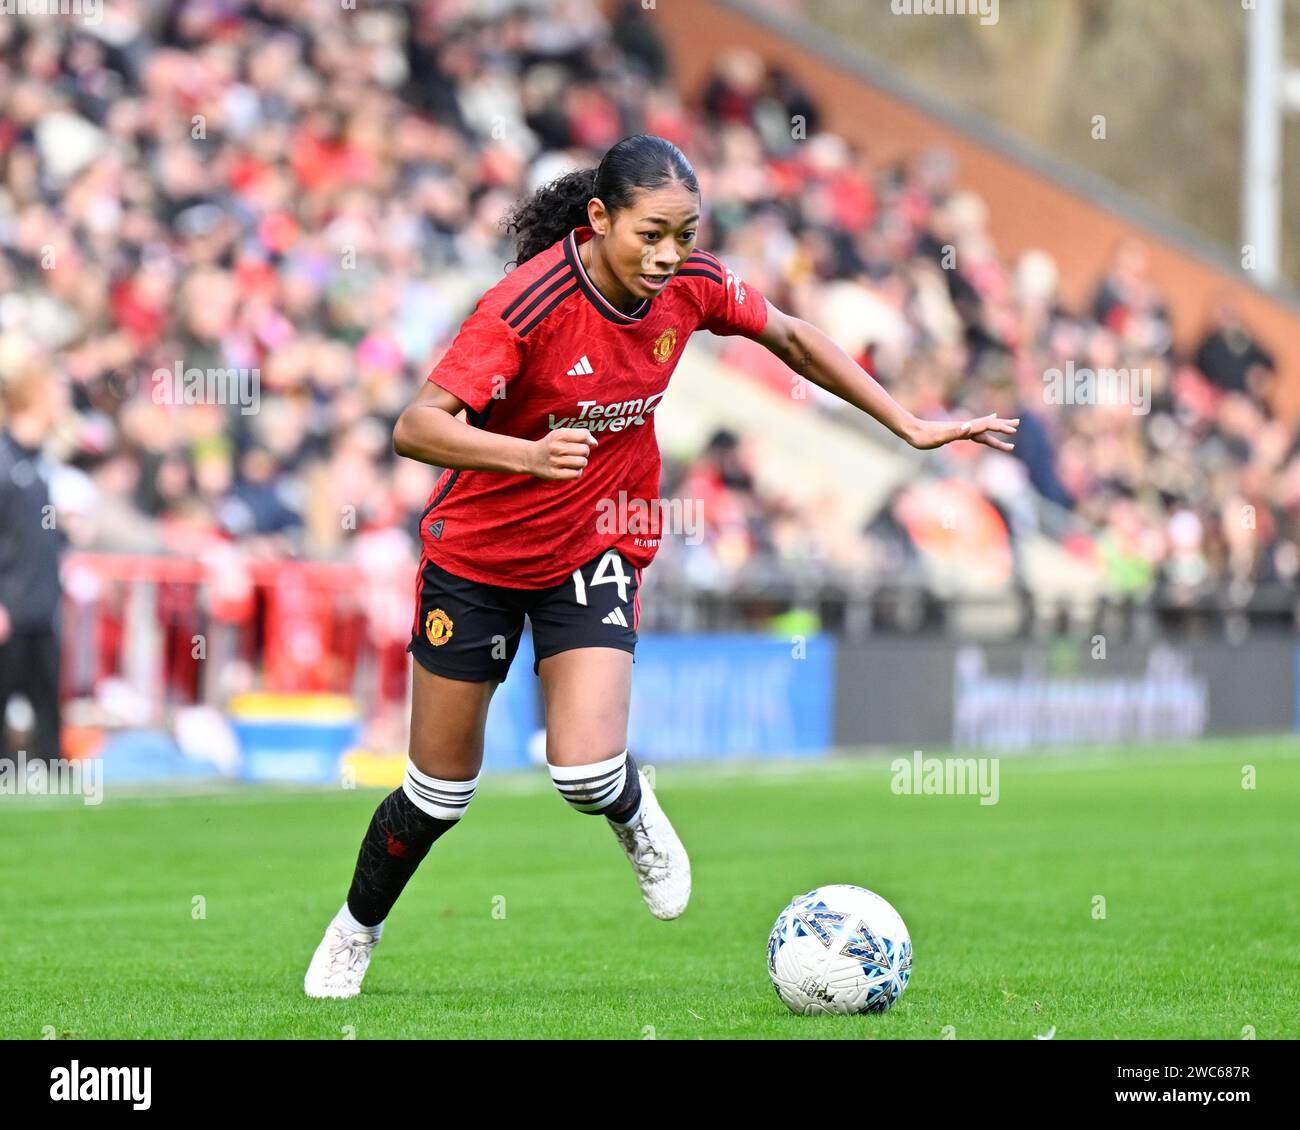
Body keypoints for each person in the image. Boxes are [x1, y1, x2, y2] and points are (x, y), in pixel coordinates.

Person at [304, 135, 1017, 998]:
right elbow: (416, 427)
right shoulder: (523, 306)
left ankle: (633, 812)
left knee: (584, 772)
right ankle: (357, 927)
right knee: (437, 796)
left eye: (685, 233)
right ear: (599, 219)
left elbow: (789, 337)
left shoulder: (690, 286)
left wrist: (906, 423)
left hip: (599, 536)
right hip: (478, 555)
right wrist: (522, 457)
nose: (669, 255)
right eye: (651, 234)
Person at [0, 362, 66, 767]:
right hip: (10, 609)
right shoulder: (5, 464)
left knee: (48, 714)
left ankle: (57, 789)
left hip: (42, 608)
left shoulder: (41, 462)